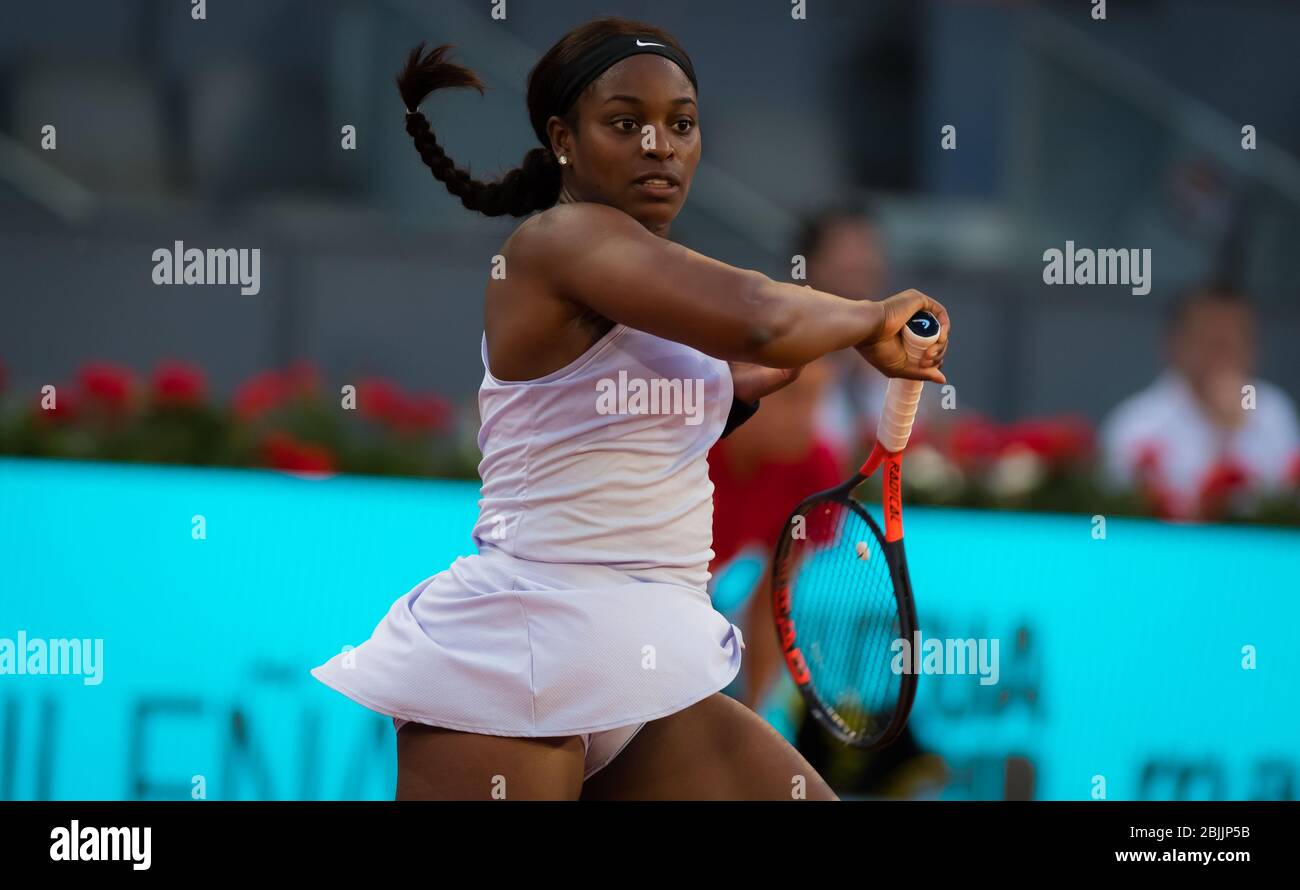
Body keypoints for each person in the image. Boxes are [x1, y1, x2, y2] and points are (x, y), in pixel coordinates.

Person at [310, 16, 950, 801]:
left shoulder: (649, 276)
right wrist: (867, 316)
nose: (660, 144)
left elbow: (631, 417)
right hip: (524, 660)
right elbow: (758, 315)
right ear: (563, 139)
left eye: (681, 124)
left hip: (644, 672)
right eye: (626, 123)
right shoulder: (557, 242)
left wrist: (733, 397)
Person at [1099, 287, 1300, 519]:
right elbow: (1121, 515)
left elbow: (1285, 507)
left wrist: (1231, 432)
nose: (1223, 355)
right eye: (1213, 341)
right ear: (1176, 343)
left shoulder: (1274, 411)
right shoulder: (1137, 423)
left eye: (1235, 340)